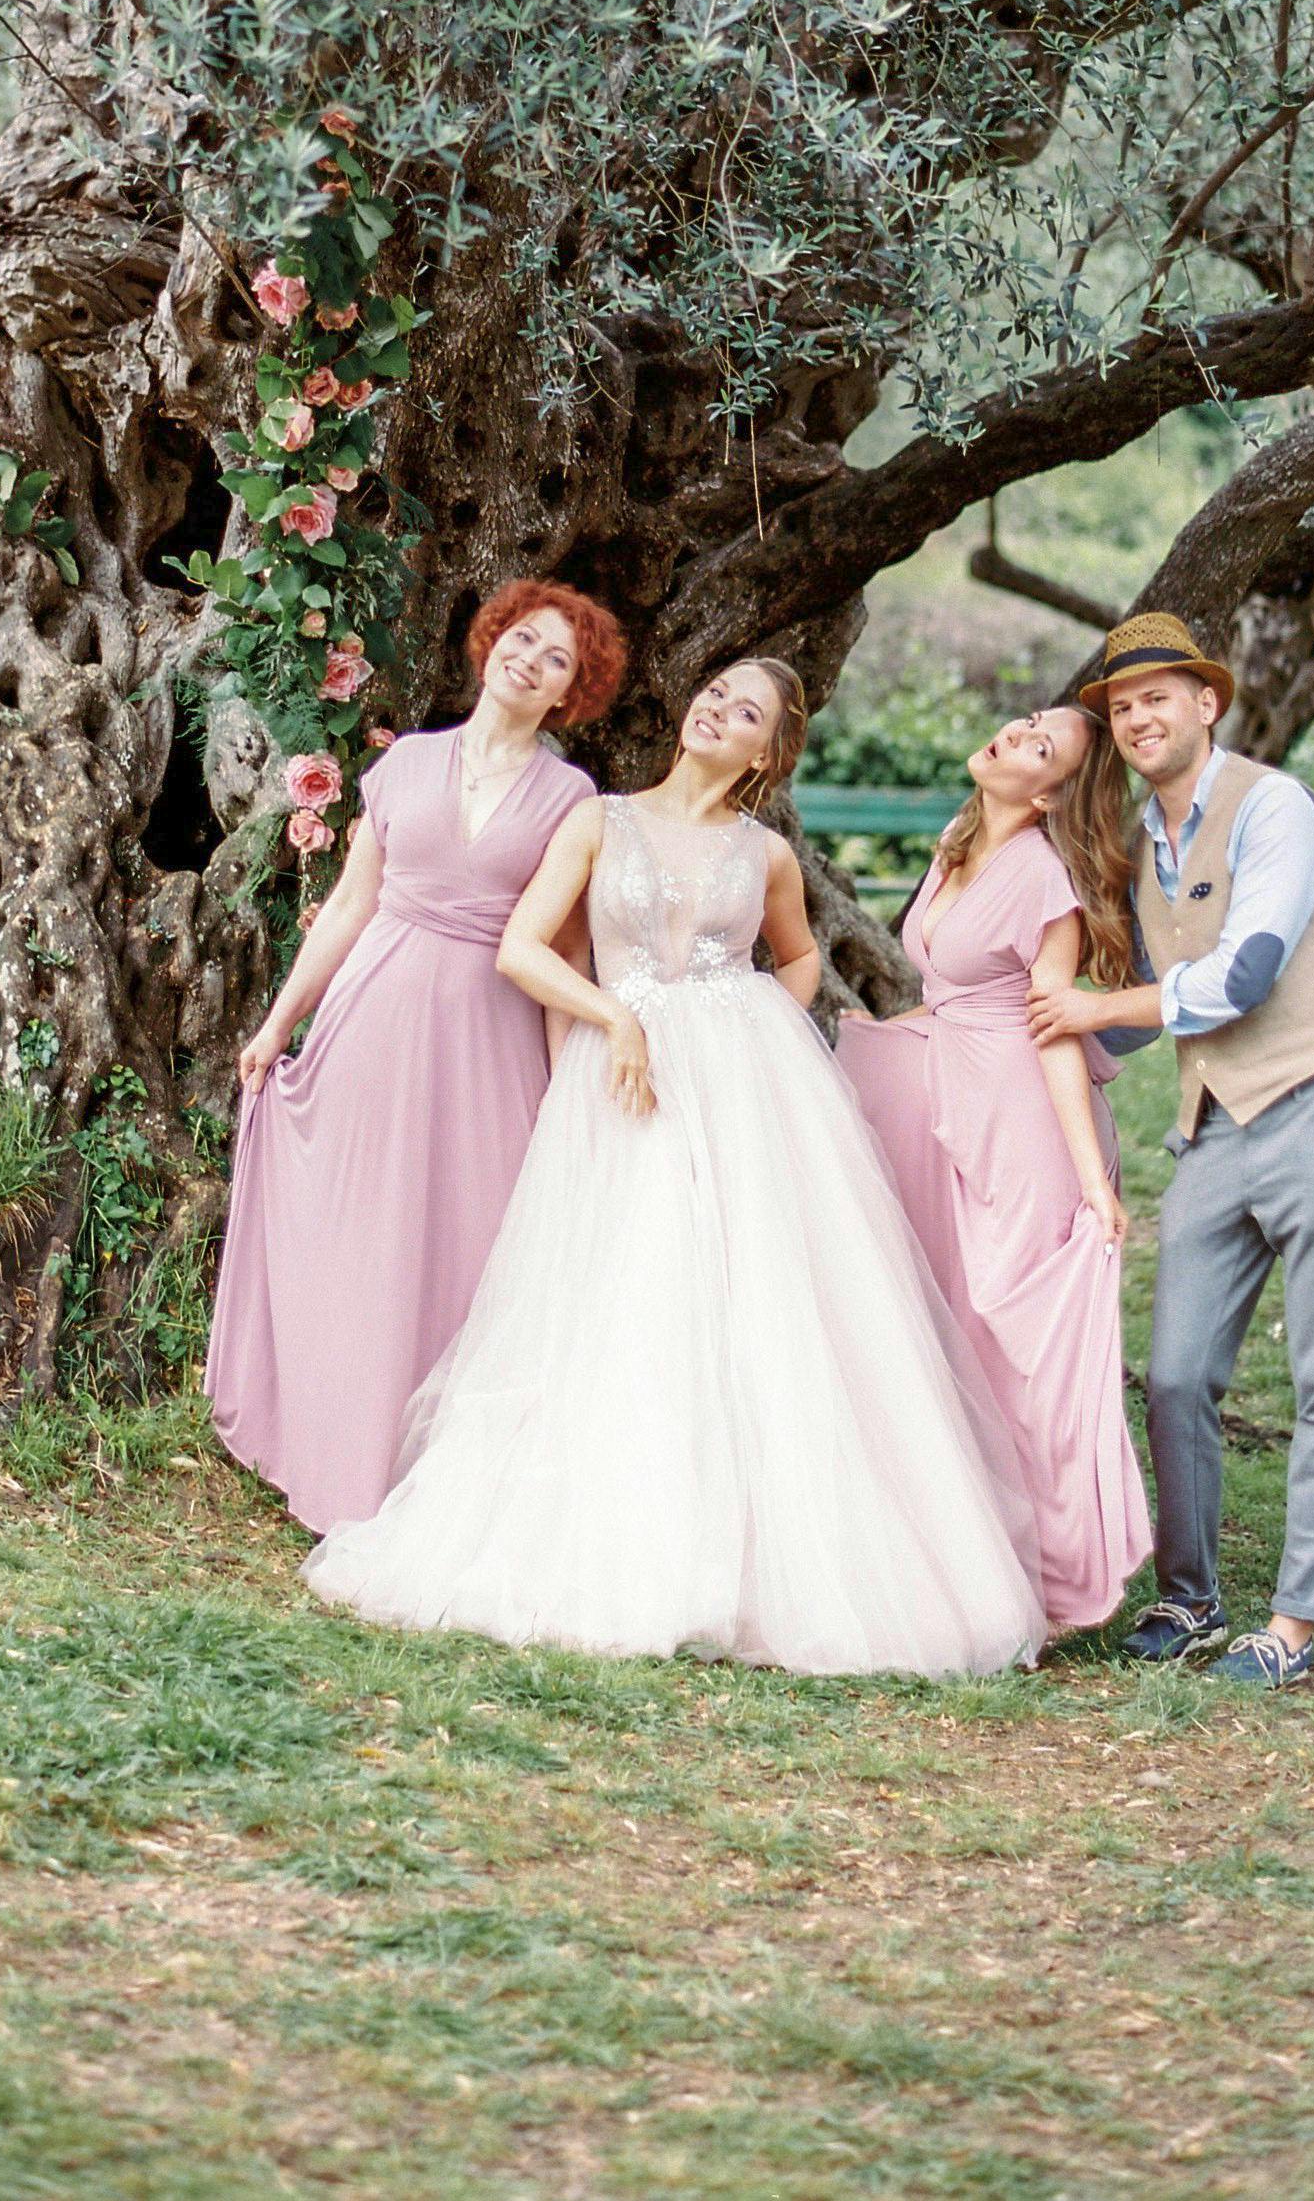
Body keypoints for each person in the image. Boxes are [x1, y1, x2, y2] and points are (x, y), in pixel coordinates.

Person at [304, 660, 1049, 1677]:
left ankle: (766, 1554)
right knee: (630, 1286)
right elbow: (524, 948)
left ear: (767, 752)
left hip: (743, 1089)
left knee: (756, 1297)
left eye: (745, 711)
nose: (716, 709)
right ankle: (628, 1538)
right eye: (715, 692)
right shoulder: (598, 821)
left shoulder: (767, 853)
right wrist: (616, 1018)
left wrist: (757, 1025)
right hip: (625, 1079)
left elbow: (797, 959)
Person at [205, 579, 626, 1533]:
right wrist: (278, 1024)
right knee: (361, 1233)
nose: (530, 661)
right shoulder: (405, 764)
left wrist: (562, 1088)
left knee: (463, 1243)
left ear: (571, 691)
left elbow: (564, 953)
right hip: (376, 1014)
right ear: (491, 643)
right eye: (522, 639)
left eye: (556, 659)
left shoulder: (570, 799)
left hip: (489, 1038)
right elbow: (351, 906)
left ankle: (429, 1472)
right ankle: (331, 1452)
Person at [1027, 611, 1314, 1694]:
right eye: (1120, 706)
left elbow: (1244, 974)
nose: (1138, 717)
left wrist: (1092, 1006)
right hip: (1215, 1124)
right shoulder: (1141, 842)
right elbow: (1146, 1013)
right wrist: (1021, 1051)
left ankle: (1292, 1624)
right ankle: (1189, 1598)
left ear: (1206, 702)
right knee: (1178, 1374)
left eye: (1157, 697)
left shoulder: (1273, 806)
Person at [836, 705, 1153, 1638]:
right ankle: (973, 1557)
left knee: (1019, 1342)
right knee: (956, 1327)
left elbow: (1049, 1025)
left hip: (1024, 1116)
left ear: (1048, 795)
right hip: (952, 1096)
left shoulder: (1042, 880)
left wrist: (1091, 1184)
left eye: (1038, 747)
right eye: (1025, 724)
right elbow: (951, 990)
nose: (1014, 736)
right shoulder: (958, 838)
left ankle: (1058, 1582)